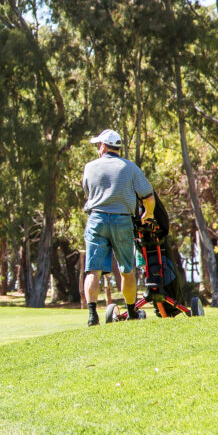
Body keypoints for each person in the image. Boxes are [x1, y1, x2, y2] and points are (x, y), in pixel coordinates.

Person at [81, 129, 157, 326]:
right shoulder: (131, 168)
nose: (98, 148)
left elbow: (88, 192)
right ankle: (131, 312)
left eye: (98, 145)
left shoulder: (89, 167)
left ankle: (91, 316)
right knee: (126, 269)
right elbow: (148, 197)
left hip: (96, 219)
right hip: (122, 220)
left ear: (104, 146)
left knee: (93, 271)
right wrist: (147, 214)